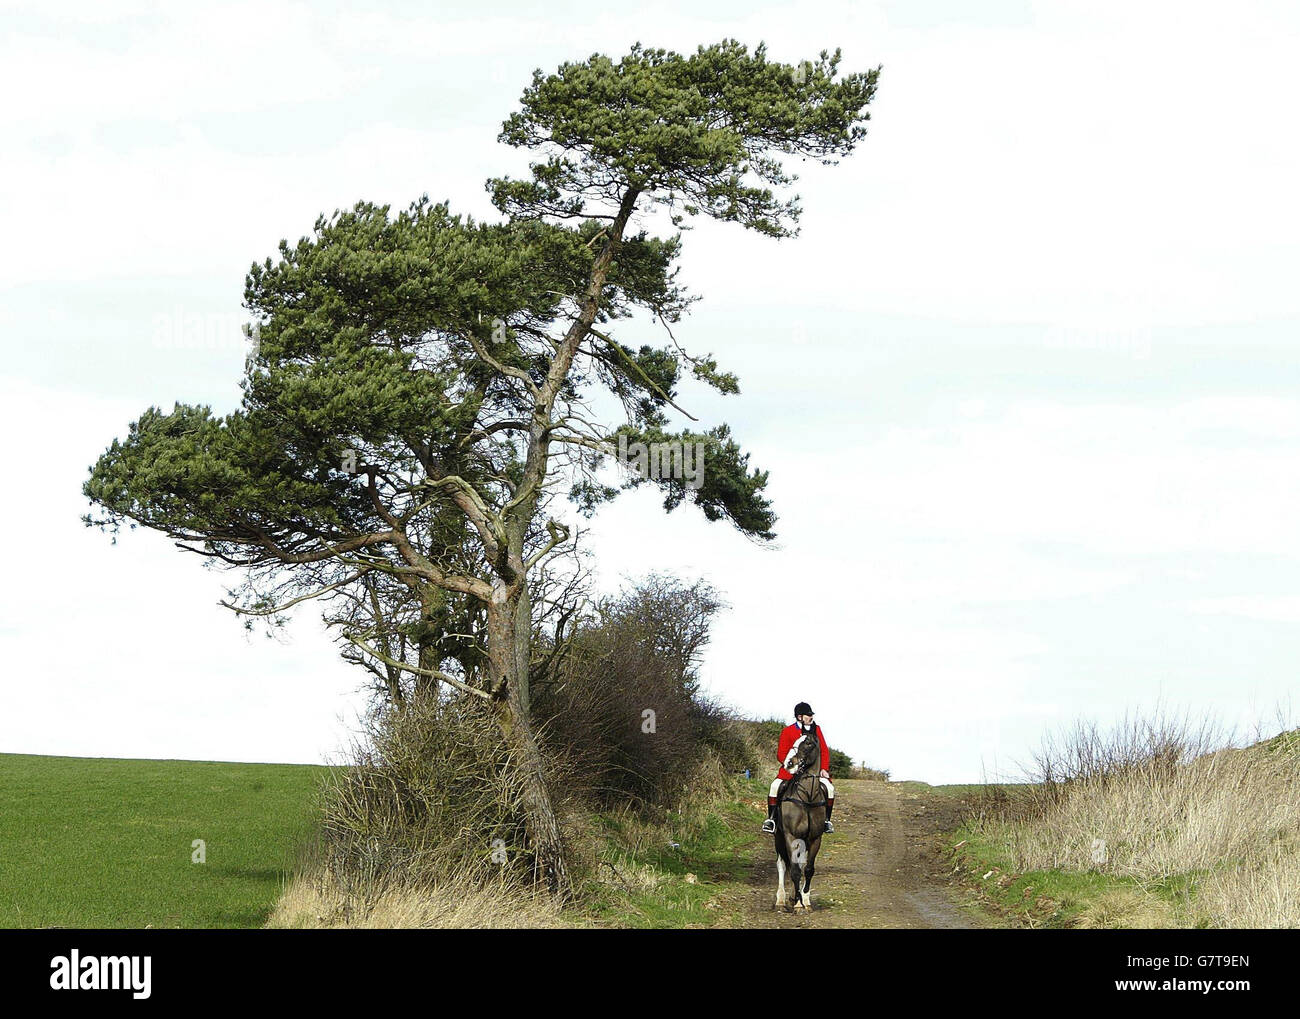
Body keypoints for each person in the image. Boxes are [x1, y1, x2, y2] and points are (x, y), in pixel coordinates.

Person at [761, 701, 835, 834]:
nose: (811, 717)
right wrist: (792, 767)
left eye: (811, 715)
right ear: (799, 717)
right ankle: (771, 819)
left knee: (829, 789)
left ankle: (826, 821)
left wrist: (824, 769)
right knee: (775, 786)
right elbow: (781, 754)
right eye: (808, 715)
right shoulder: (788, 731)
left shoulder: (816, 729)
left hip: (813, 772)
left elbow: (824, 750)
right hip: (791, 771)